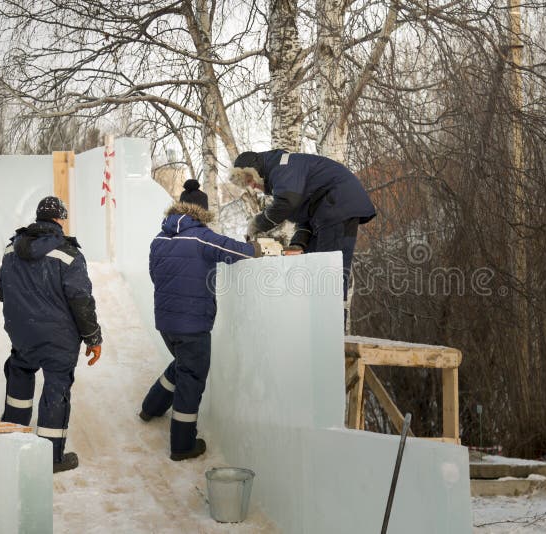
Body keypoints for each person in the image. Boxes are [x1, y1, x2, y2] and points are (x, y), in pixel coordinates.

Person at [139, 186, 263, 461]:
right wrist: (257, 247)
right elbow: (236, 252)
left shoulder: (160, 239)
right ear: (202, 212)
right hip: (192, 323)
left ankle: (152, 406)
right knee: (192, 379)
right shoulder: (201, 237)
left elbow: (155, 276)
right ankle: (182, 445)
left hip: (166, 322)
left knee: (183, 365)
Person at [0, 196, 102, 473]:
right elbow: (81, 300)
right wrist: (93, 338)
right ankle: (49, 458)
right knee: (56, 387)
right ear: (59, 220)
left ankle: (12, 440)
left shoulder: (12, 248)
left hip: (21, 333)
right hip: (58, 338)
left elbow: (2, 287)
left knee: (20, 372)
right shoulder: (69, 254)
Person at [229, 150, 376, 324]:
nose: (252, 186)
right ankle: (317, 326)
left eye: (250, 180)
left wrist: (257, 223)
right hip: (326, 211)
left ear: (256, 171)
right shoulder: (286, 175)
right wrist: (299, 243)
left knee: (329, 271)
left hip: (337, 206)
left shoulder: (283, 167)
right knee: (314, 268)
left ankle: (331, 330)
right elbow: (304, 215)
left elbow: (286, 203)